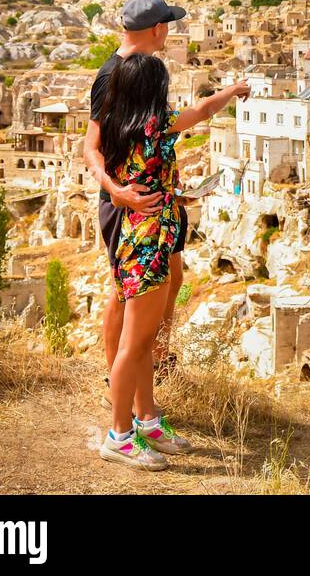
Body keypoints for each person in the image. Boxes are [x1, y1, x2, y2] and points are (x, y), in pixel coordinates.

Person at [97, 53, 249, 470]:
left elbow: (136, 181)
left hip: (137, 236)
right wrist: (233, 91)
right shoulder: (153, 125)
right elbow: (202, 111)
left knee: (143, 340)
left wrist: (173, 196)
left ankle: (145, 423)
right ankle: (119, 435)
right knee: (134, 344)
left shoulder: (117, 128)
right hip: (147, 245)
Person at [84, 0, 187, 404]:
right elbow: (90, 147)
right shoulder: (111, 75)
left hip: (155, 203)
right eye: (168, 25)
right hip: (126, 202)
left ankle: (149, 361)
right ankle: (120, 380)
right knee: (123, 292)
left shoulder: (144, 72)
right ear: (158, 29)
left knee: (171, 278)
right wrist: (116, 192)